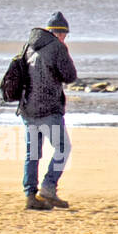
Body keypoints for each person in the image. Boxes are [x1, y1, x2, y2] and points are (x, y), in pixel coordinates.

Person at [18, 11, 77, 211]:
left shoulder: (29, 46)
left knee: (32, 153)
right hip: (49, 108)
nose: (64, 38)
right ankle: (49, 187)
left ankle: (30, 196)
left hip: (28, 109)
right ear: (58, 33)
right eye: (64, 34)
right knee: (63, 148)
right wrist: (64, 53)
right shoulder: (58, 48)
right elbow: (70, 76)